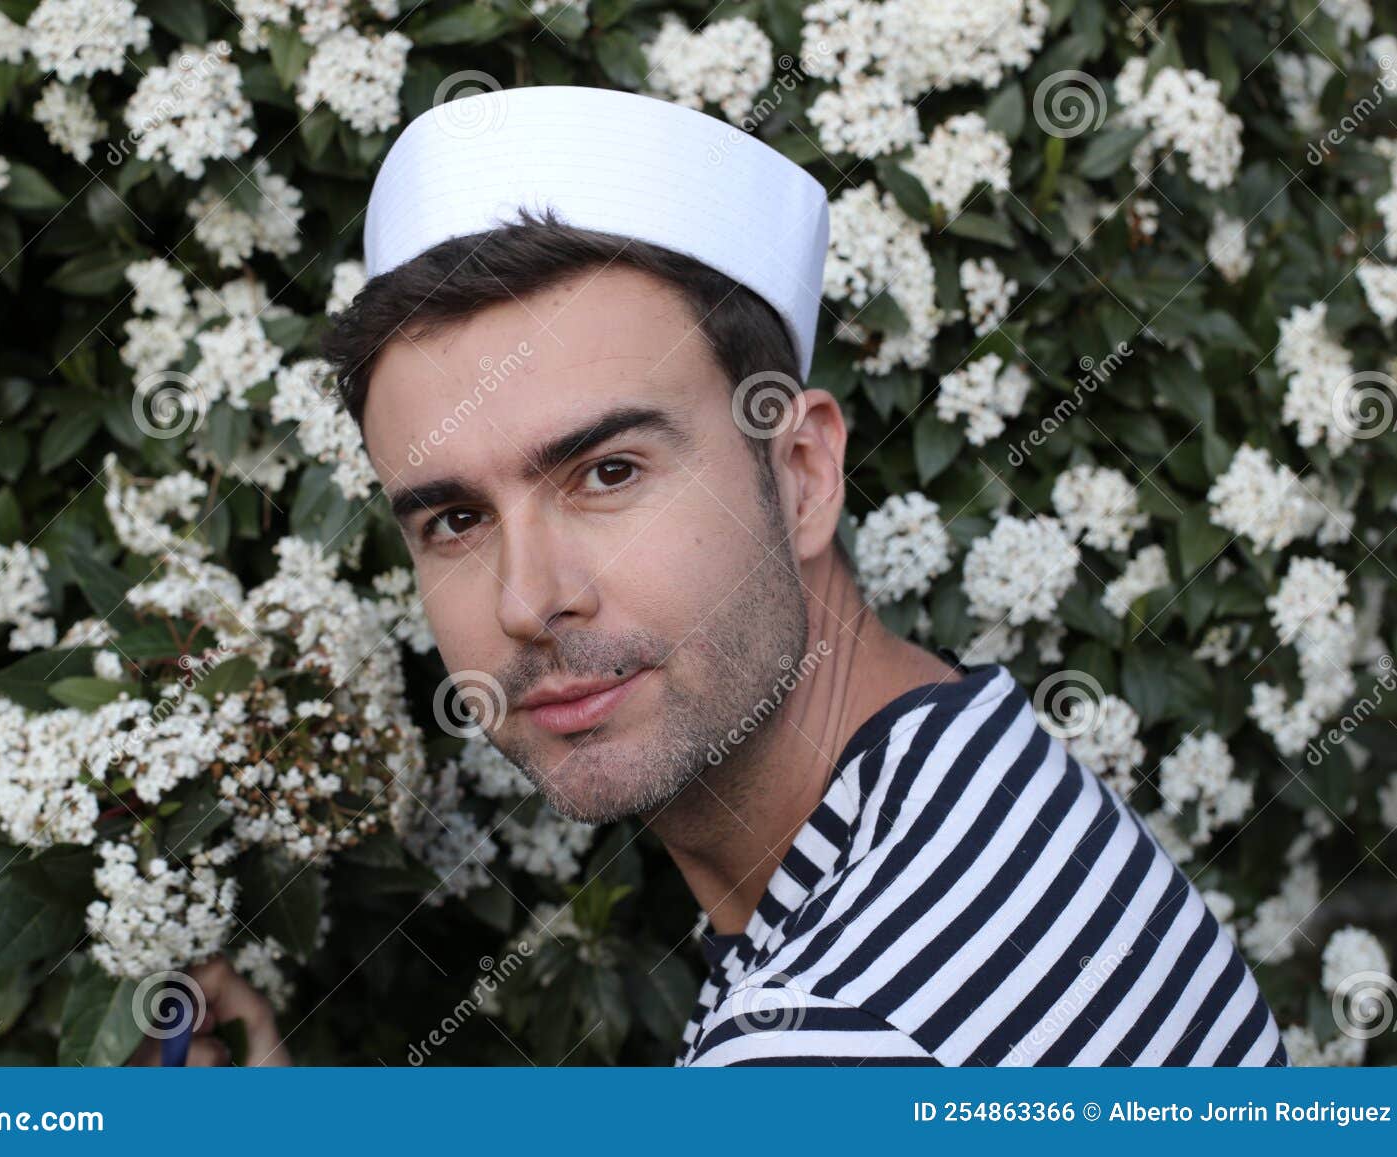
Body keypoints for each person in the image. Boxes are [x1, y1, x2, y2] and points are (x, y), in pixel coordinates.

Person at [143, 85, 1286, 1066]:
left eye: (607, 471)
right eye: (452, 517)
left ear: (798, 471)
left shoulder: (826, 1038)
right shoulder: (973, 764)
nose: (526, 601)